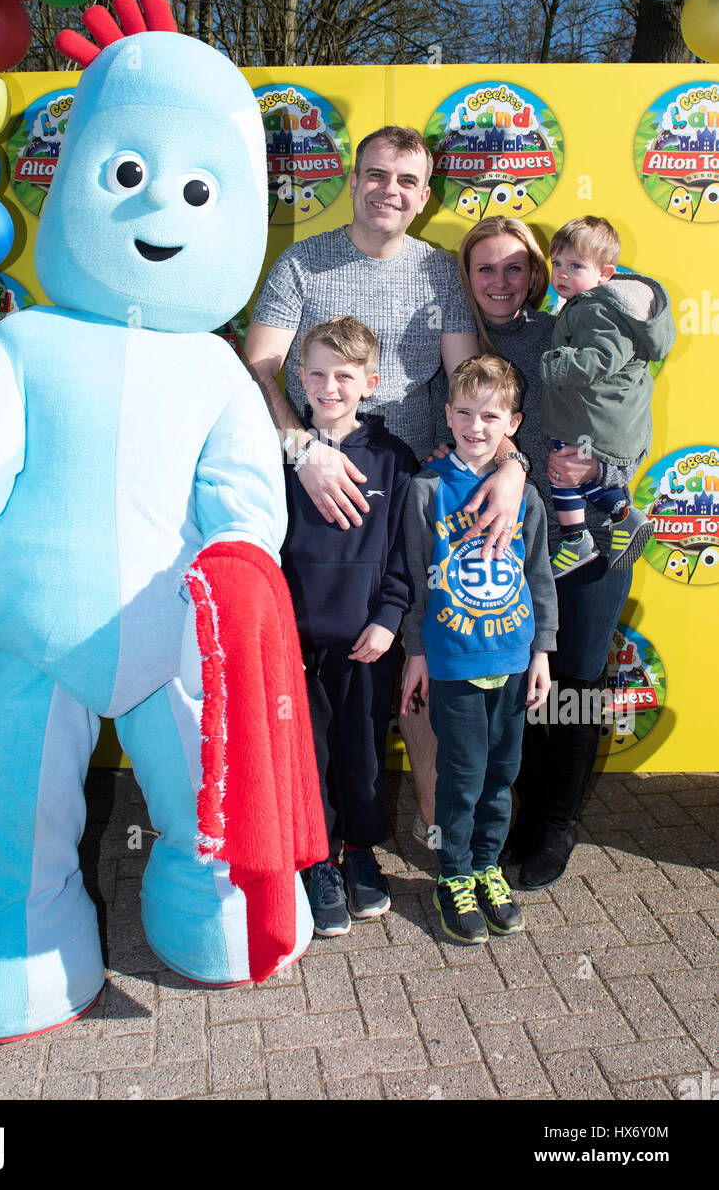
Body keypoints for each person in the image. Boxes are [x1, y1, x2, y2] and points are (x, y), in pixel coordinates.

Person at [245, 126, 532, 825]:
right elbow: (255, 364)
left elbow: (472, 385)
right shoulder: (302, 264)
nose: (389, 191)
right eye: (376, 175)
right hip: (319, 495)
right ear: (353, 179)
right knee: (319, 687)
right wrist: (299, 449)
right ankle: (321, 844)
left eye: (405, 181)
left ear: (425, 195)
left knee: (424, 671)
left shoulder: (439, 272)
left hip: (419, 497)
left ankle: (444, 849)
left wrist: (511, 464)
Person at [425, 216, 646, 889]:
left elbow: (626, 414)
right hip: (499, 556)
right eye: (485, 268)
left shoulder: (568, 333)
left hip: (588, 540)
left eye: (514, 268)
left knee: (575, 684)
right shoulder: (452, 359)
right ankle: (513, 818)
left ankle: (554, 824)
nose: (500, 281)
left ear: (539, 274)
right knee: (517, 687)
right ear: (466, 276)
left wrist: (554, 465)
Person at [400, 355, 556, 943]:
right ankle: (454, 875)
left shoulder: (528, 497)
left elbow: (538, 574)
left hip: (513, 658)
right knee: (461, 776)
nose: (476, 425)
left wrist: (541, 652)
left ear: (513, 422)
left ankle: (489, 868)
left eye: (490, 414)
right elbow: (415, 578)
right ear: (446, 414)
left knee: (501, 773)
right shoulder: (426, 490)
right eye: (464, 412)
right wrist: (416, 652)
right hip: (453, 660)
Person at [282, 317, 416, 937]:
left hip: (368, 642)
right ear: (299, 378)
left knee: (362, 757)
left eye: (344, 376)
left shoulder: (393, 459)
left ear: (370, 383)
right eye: (316, 374)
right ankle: (317, 859)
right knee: (307, 756)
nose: (328, 387)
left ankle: (360, 853)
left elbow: (405, 555)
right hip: (294, 642)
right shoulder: (276, 454)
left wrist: (389, 620)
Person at [540, 217, 675, 578]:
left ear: (605, 273)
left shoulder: (596, 309)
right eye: (557, 264)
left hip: (591, 423)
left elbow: (601, 358)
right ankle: (622, 515)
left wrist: (555, 364)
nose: (562, 274)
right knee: (574, 476)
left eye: (575, 266)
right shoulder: (589, 305)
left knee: (561, 473)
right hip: (595, 419)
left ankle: (575, 540)